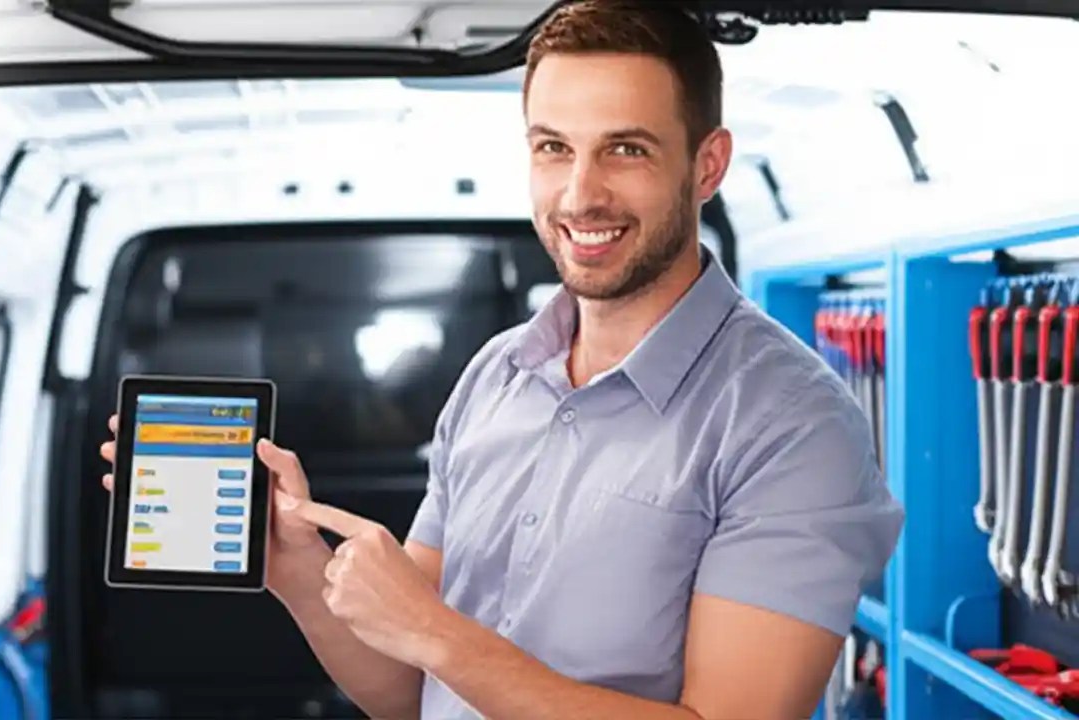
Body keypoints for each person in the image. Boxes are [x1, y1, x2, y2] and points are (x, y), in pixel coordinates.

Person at [99, 2, 904, 717]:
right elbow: (408, 694)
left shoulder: (792, 422)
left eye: (625, 149)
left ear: (708, 166)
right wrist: (295, 567)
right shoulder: (498, 375)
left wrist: (441, 636)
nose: (580, 194)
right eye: (554, 147)